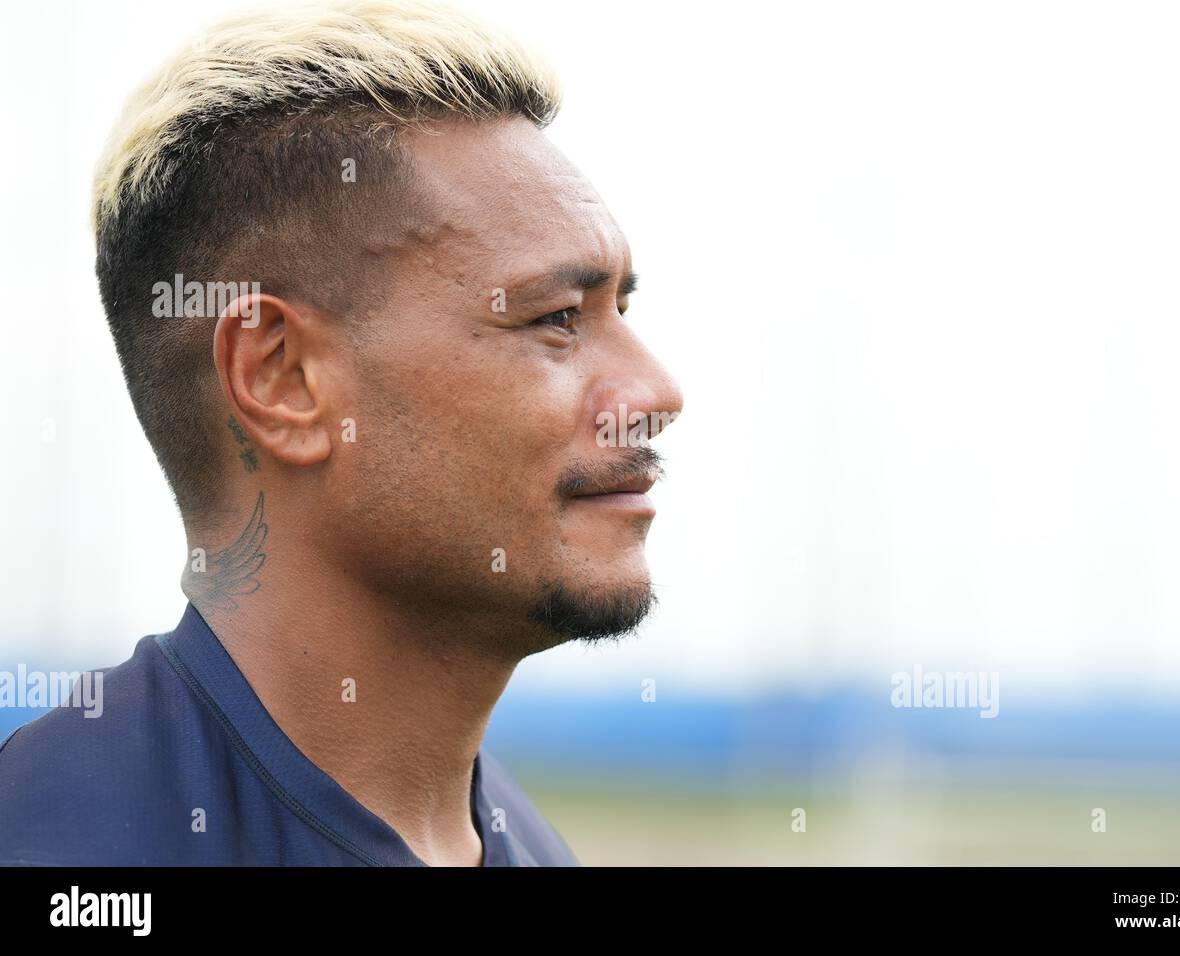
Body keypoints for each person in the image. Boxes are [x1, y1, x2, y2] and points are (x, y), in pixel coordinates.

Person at [0, 0, 683, 867]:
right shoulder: (57, 844)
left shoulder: (530, 844)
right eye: (555, 319)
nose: (657, 393)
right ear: (281, 379)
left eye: (617, 309)